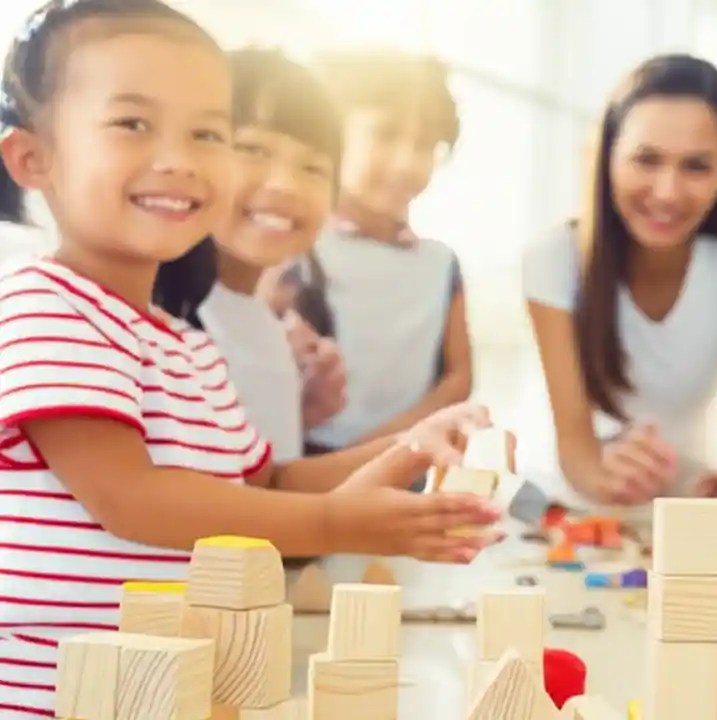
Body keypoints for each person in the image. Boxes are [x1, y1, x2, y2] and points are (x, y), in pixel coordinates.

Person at [0, 2, 500, 714]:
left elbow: (267, 480)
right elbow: (130, 498)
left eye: (208, 132)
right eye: (133, 123)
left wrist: (408, 449)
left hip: (173, 693)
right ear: (33, 158)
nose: (178, 158)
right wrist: (337, 522)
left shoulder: (185, 345)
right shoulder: (44, 306)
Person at [522, 54, 717, 515]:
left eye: (696, 166)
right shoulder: (554, 257)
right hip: (559, 505)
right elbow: (576, 452)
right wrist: (606, 471)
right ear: (607, 158)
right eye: (646, 160)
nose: (667, 192)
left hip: (688, 505)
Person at [294, 49, 471, 452]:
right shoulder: (300, 250)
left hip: (408, 461)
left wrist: (387, 449)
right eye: (385, 134)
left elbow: (458, 377)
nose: (406, 162)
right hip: (306, 470)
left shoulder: (440, 264)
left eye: (425, 144)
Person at [190, 47, 346, 462]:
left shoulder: (264, 327)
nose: (286, 185)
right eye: (253, 149)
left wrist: (302, 413)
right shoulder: (167, 322)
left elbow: (262, 479)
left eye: (314, 168)